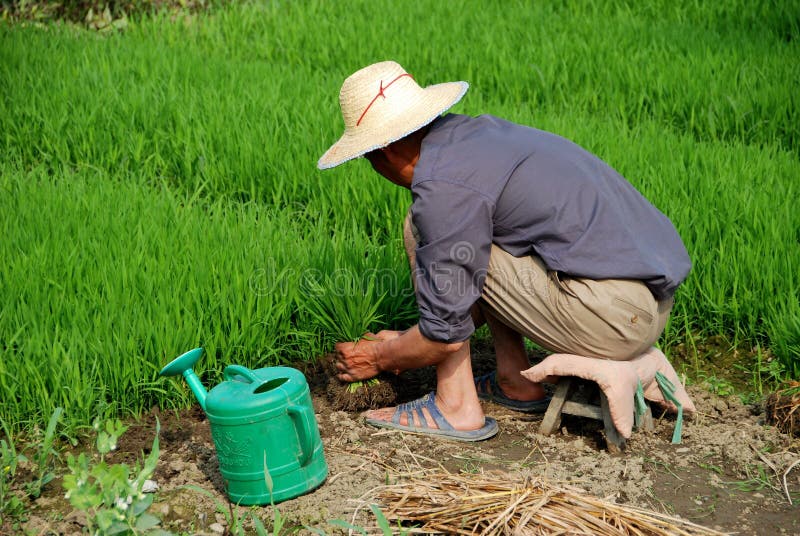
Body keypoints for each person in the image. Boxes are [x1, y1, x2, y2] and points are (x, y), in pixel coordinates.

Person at [317, 61, 691, 441]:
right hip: (647, 305)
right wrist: (406, 340)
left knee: (425, 233)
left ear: (385, 151)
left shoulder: (443, 191)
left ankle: (456, 406)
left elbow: (445, 334)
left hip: (612, 321)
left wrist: (380, 356)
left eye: (365, 156)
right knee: (467, 246)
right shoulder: (477, 136)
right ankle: (514, 380)